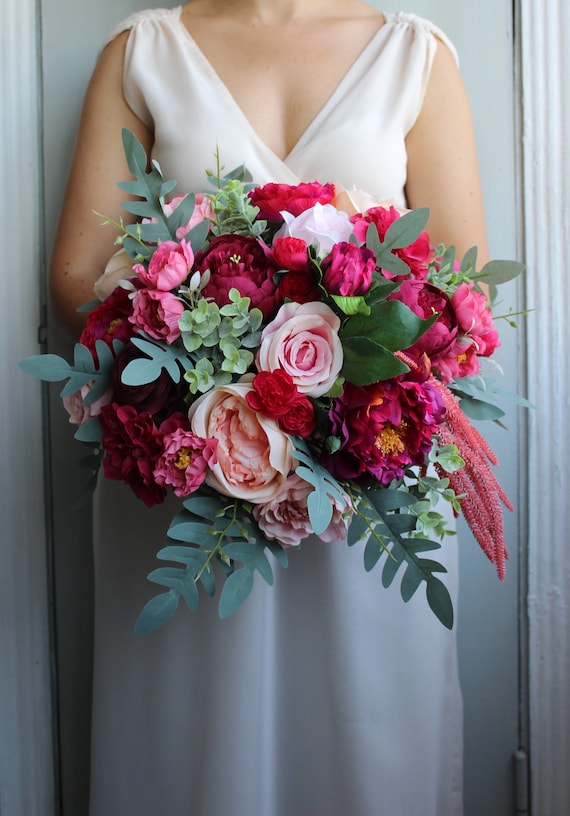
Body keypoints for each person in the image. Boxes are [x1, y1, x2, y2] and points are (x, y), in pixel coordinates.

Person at [49, 2, 490, 814]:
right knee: (193, 748)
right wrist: (207, 348)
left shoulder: (414, 55)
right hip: (192, 478)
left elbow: (460, 290)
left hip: (363, 488)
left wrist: (335, 367)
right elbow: (76, 277)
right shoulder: (142, 52)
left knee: (363, 739)